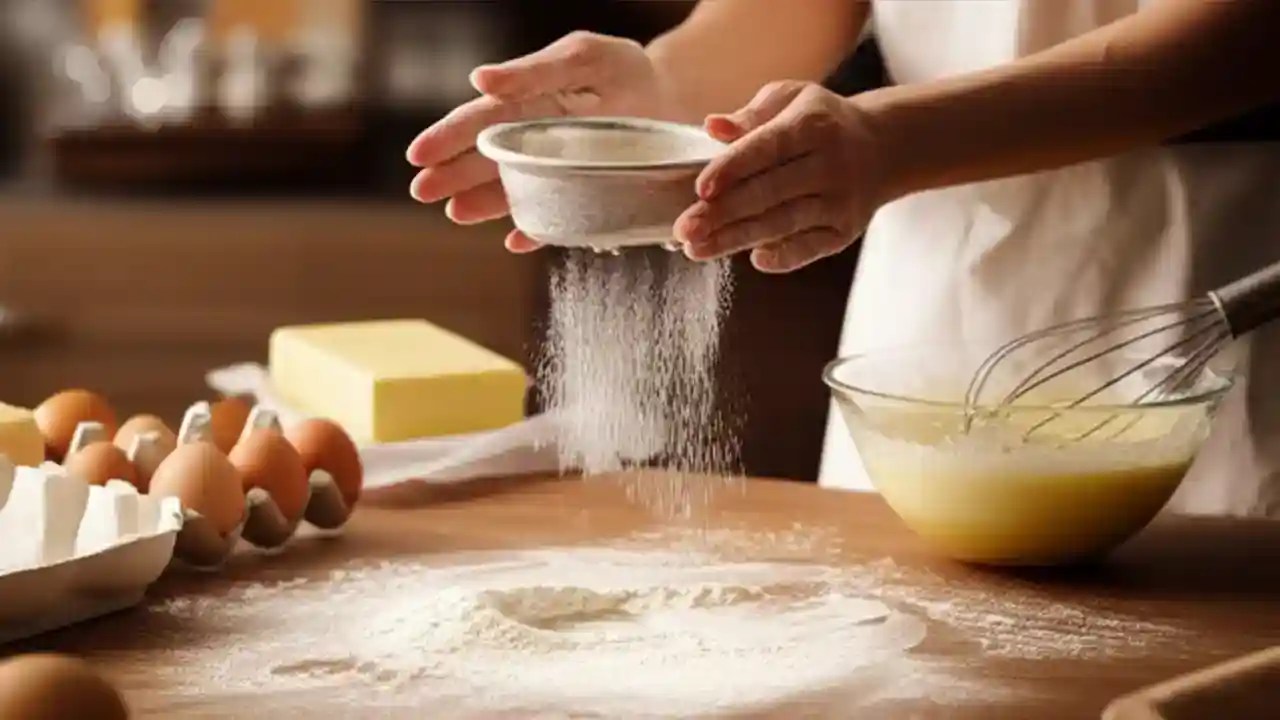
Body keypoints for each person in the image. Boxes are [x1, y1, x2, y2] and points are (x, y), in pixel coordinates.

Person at [407, 0, 1280, 518]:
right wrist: (666, 95)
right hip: (925, 300)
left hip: (1201, 275)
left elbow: (1243, 36)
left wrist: (897, 140)